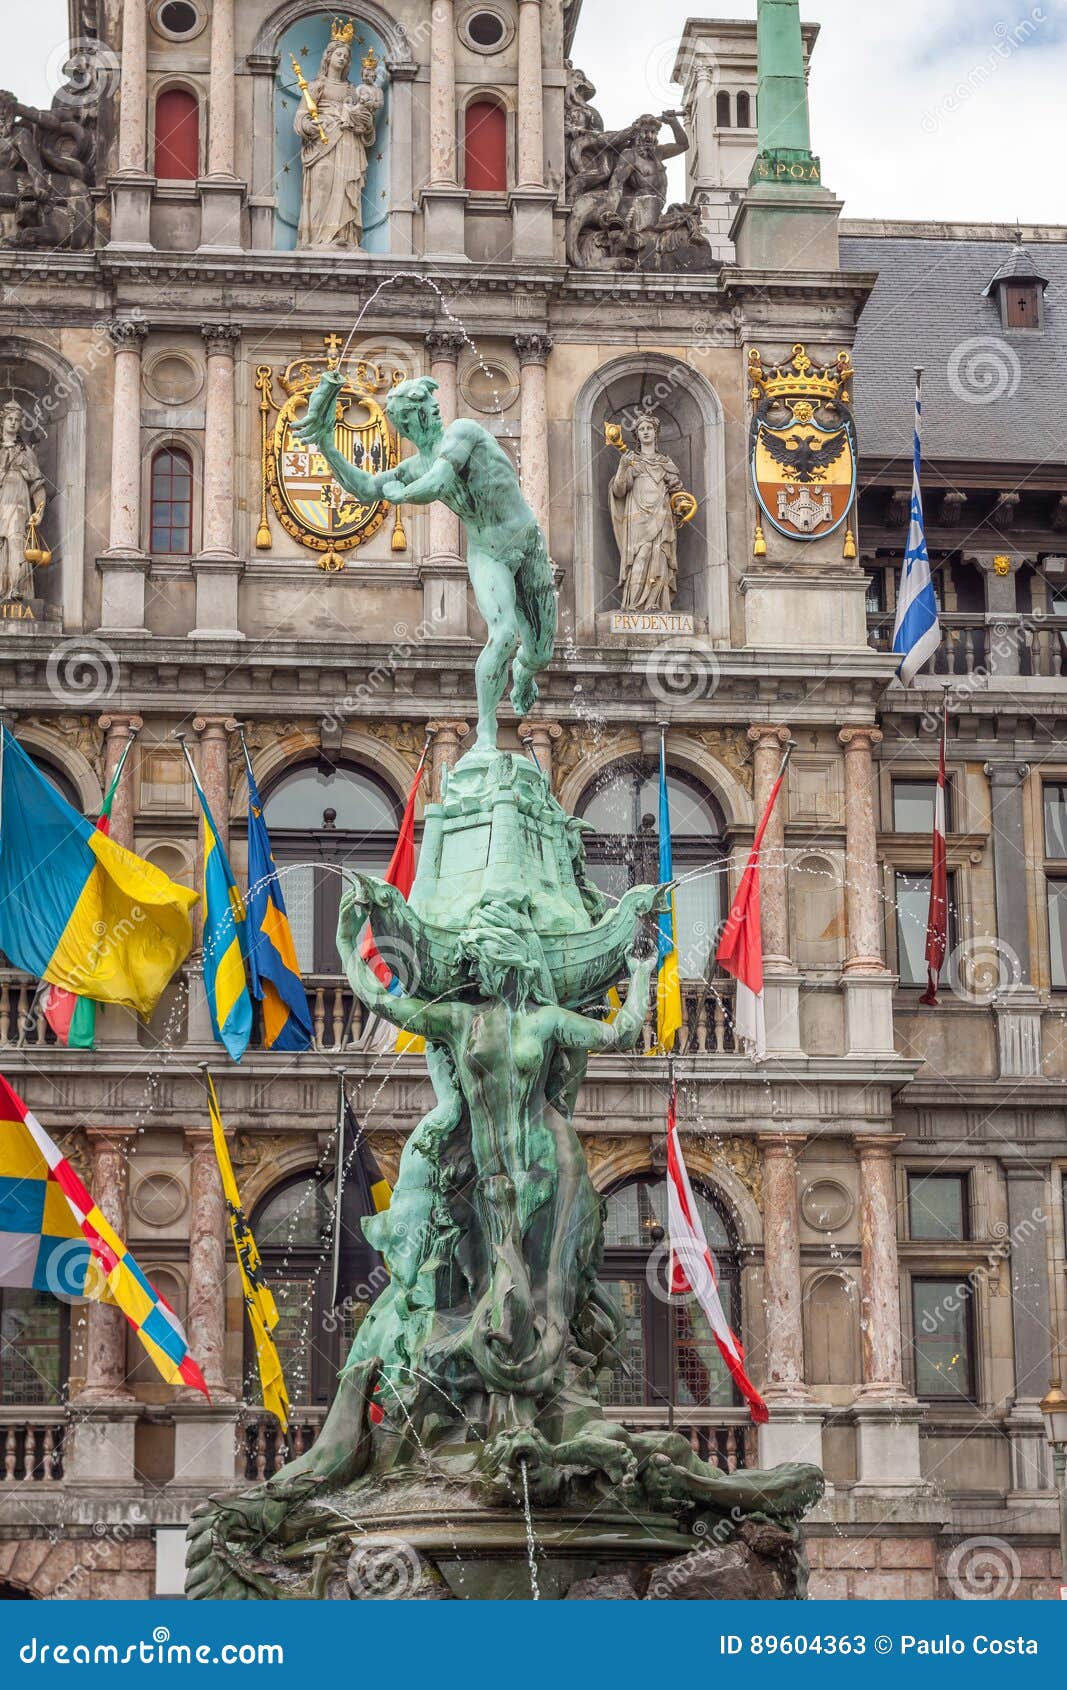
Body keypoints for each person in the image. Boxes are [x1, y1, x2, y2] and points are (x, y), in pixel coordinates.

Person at [299, 370, 557, 749]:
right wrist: (326, 447)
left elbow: (437, 482)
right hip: (487, 552)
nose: (434, 414)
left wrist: (399, 496)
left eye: (433, 408)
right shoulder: (413, 467)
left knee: (539, 654)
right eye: (425, 410)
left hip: (527, 542)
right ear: (408, 421)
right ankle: (486, 737)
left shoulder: (463, 432)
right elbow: (366, 488)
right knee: (502, 635)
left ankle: (524, 670)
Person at [294, 40, 385, 250]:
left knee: (346, 188)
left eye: (346, 55)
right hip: (322, 143)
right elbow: (300, 118)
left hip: (348, 143)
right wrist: (310, 125)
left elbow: (366, 121)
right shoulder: (316, 86)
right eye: (338, 54)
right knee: (322, 185)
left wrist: (363, 123)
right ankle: (317, 238)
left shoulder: (353, 90)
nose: (342, 58)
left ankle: (344, 236)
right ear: (328, 57)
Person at [610, 412, 683, 611]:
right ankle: (634, 604)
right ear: (637, 435)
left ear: (655, 433)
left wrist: (681, 499)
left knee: (659, 555)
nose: (646, 432)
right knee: (641, 555)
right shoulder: (632, 461)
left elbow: (678, 493)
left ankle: (655, 604)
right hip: (637, 518)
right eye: (642, 429)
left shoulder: (665, 463)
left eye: (649, 428)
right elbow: (619, 490)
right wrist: (623, 468)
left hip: (662, 515)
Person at [0, 399, 45, 599]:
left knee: (17, 541)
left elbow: (37, 484)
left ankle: (16, 588)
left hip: (18, 501)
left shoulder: (26, 452)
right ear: (2, 421)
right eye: (9, 418)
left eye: (16, 420)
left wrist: (39, 511)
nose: (12, 423)